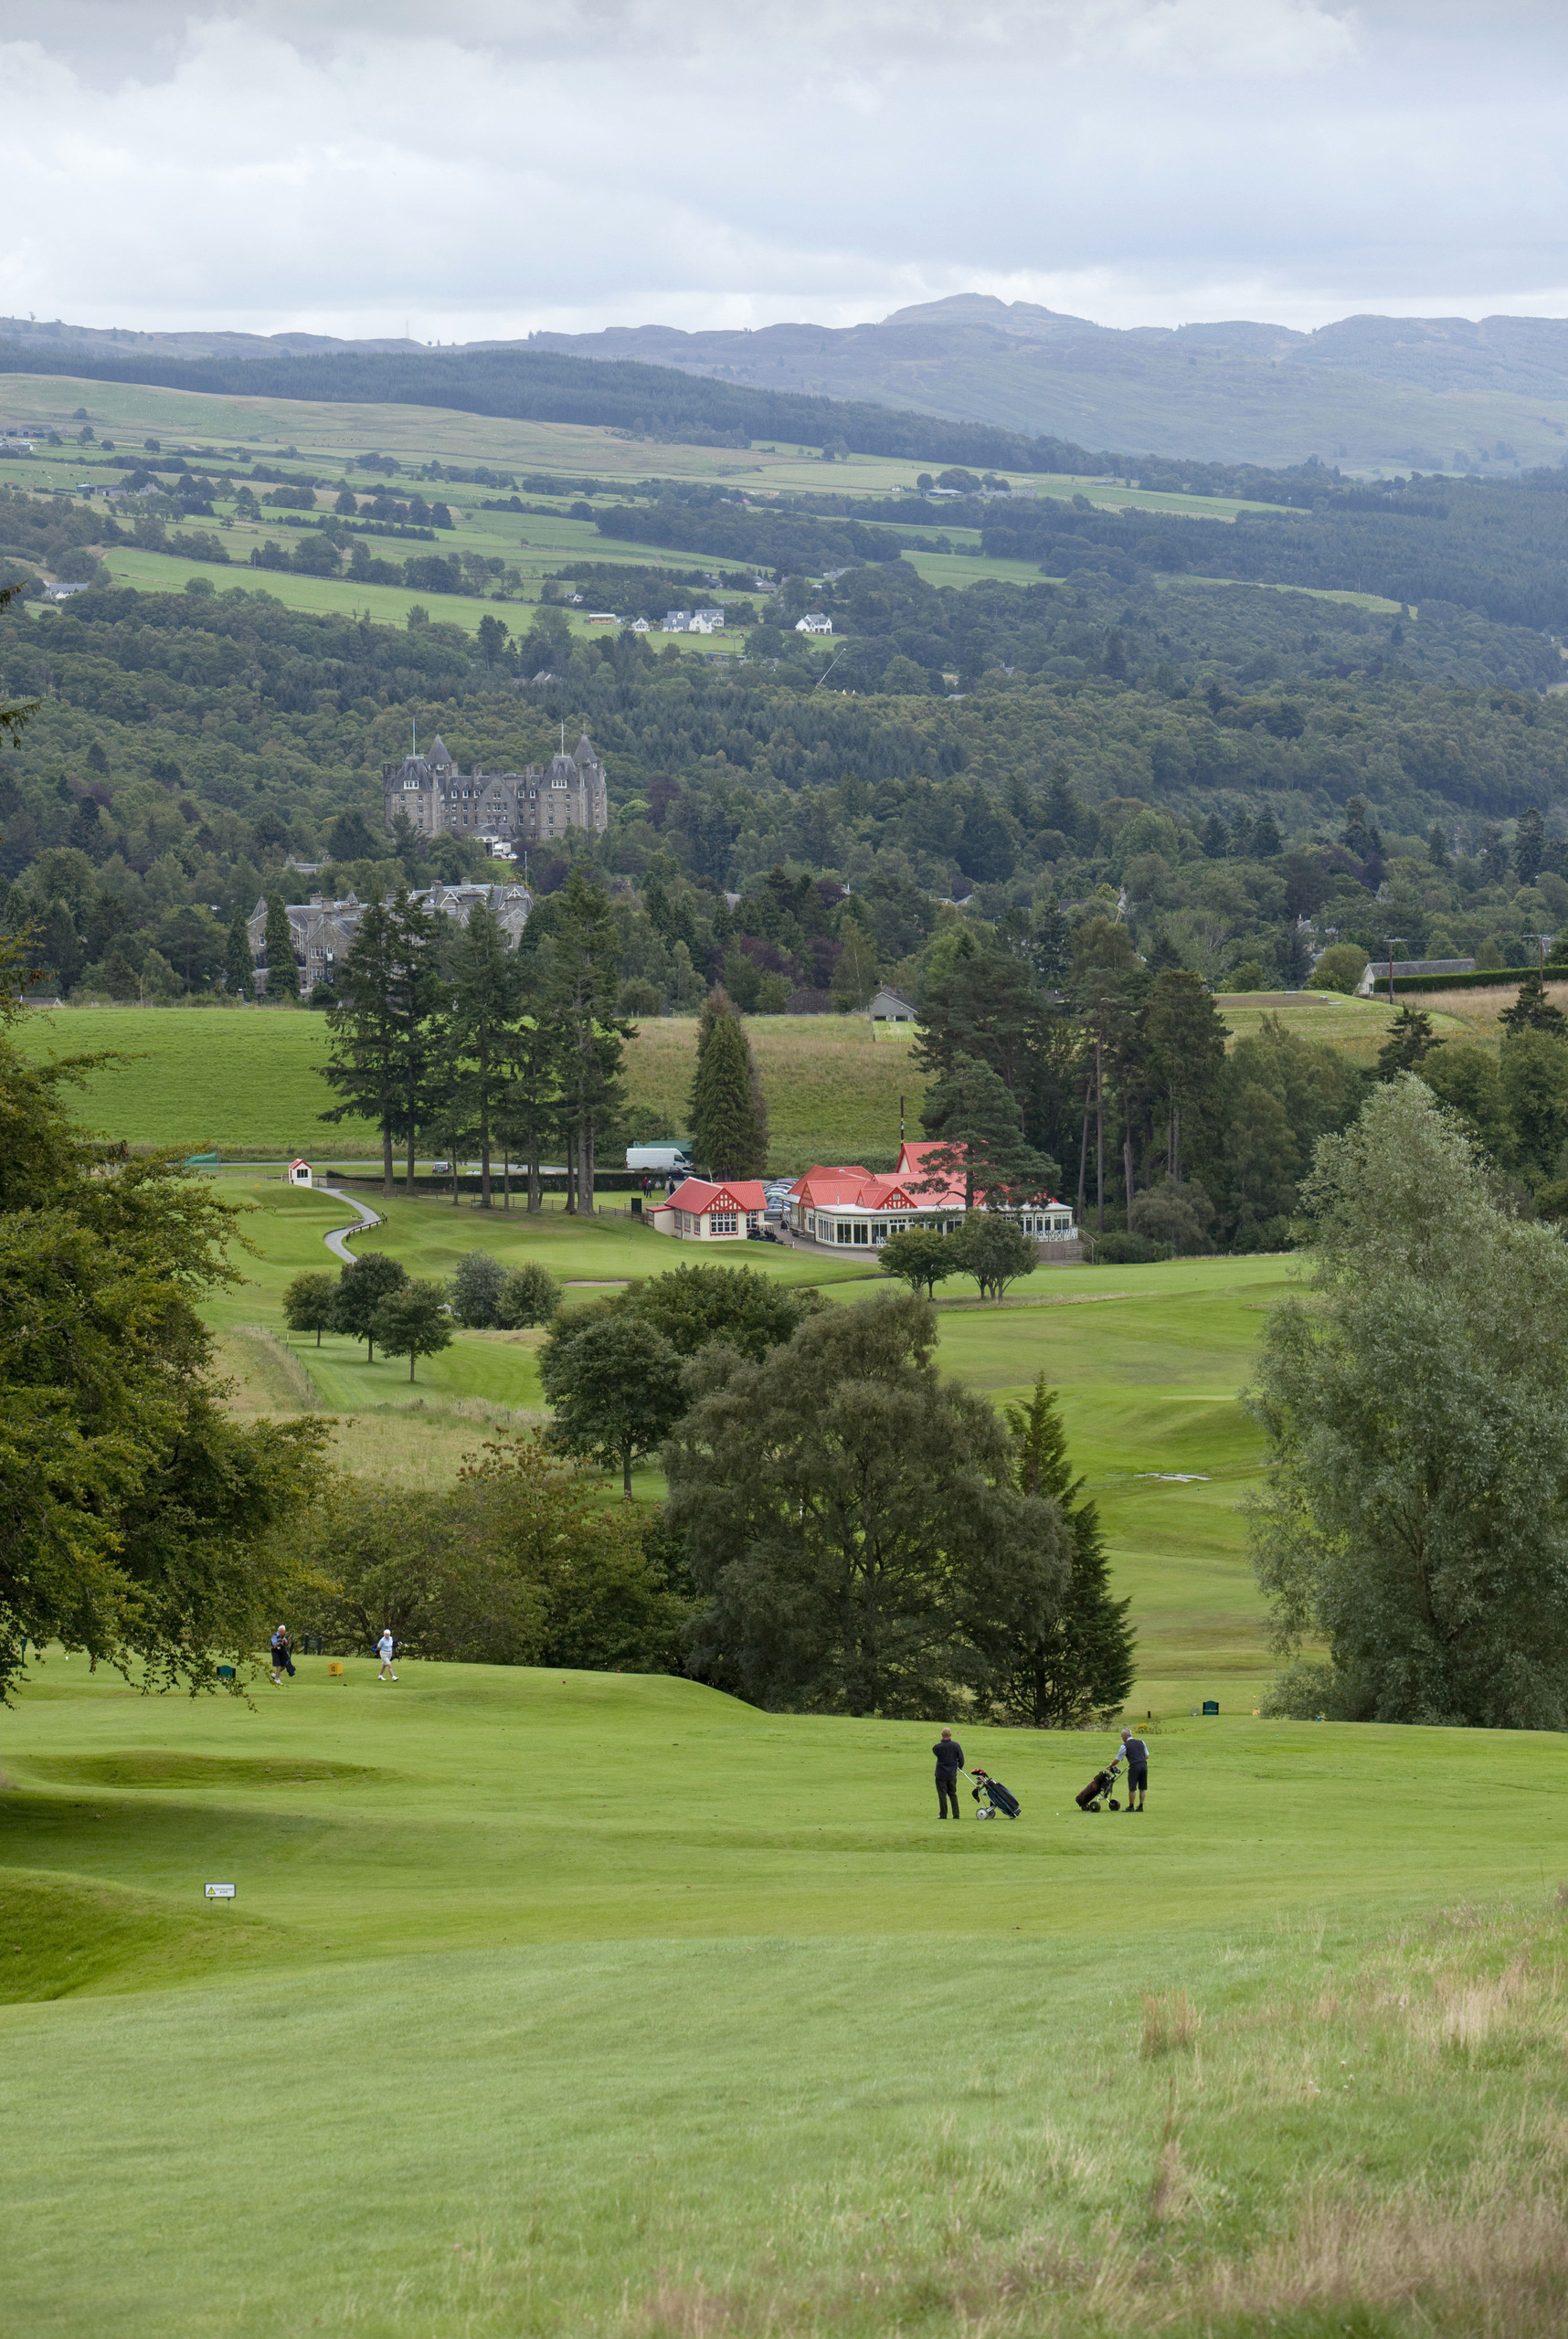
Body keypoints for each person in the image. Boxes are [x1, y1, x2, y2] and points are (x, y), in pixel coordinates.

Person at [933, 1727, 963, 1819]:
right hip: (952, 1774)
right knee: (952, 1794)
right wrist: (959, 1767)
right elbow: (961, 1759)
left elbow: (936, 1753)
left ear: (942, 1734)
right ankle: (956, 1814)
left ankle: (943, 1814)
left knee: (942, 1795)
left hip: (941, 1774)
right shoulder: (956, 1745)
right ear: (950, 1735)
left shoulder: (937, 1747)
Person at [1119, 1725, 1149, 1810]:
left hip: (1134, 1766)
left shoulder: (1125, 1746)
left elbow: (1118, 1759)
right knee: (1142, 1787)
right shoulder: (1141, 1742)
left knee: (1132, 1788)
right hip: (1144, 1765)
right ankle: (1141, 1806)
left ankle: (1131, 1806)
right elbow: (1147, 1756)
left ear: (1124, 1737)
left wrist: (1110, 1765)